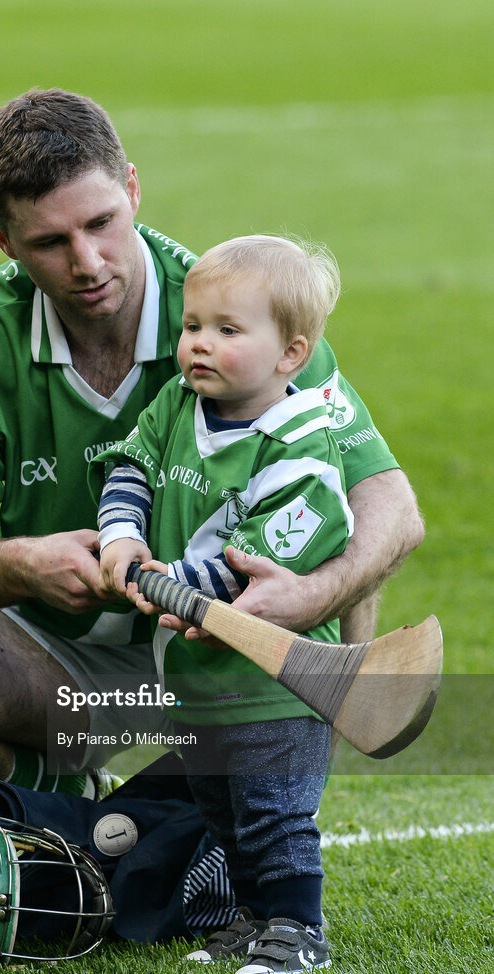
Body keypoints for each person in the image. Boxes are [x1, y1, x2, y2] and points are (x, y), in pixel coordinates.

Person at [0, 88, 423, 807]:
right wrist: (26, 564)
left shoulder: (238, 317)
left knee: (208, 873)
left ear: (132, 187)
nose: (89, 261)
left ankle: (235, 785)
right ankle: (66, 803)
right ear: (3, 240)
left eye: (103, 222)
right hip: (59, 658)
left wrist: (306, 602)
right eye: (49, 242)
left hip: (225, 653)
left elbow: (387, 506)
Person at [93, 235, 349, 970]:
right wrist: (119, 539)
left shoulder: (304, 444)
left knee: (274, 812)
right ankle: (250, 919)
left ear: (291, 355)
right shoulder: (180, 403)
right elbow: (131, 467)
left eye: (227, 331)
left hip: (277, 683)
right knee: (221, 809)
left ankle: (299, 932)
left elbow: (255, 561)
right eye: (192, 326)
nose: (199, 345)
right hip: (196, 675)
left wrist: (170, 575)